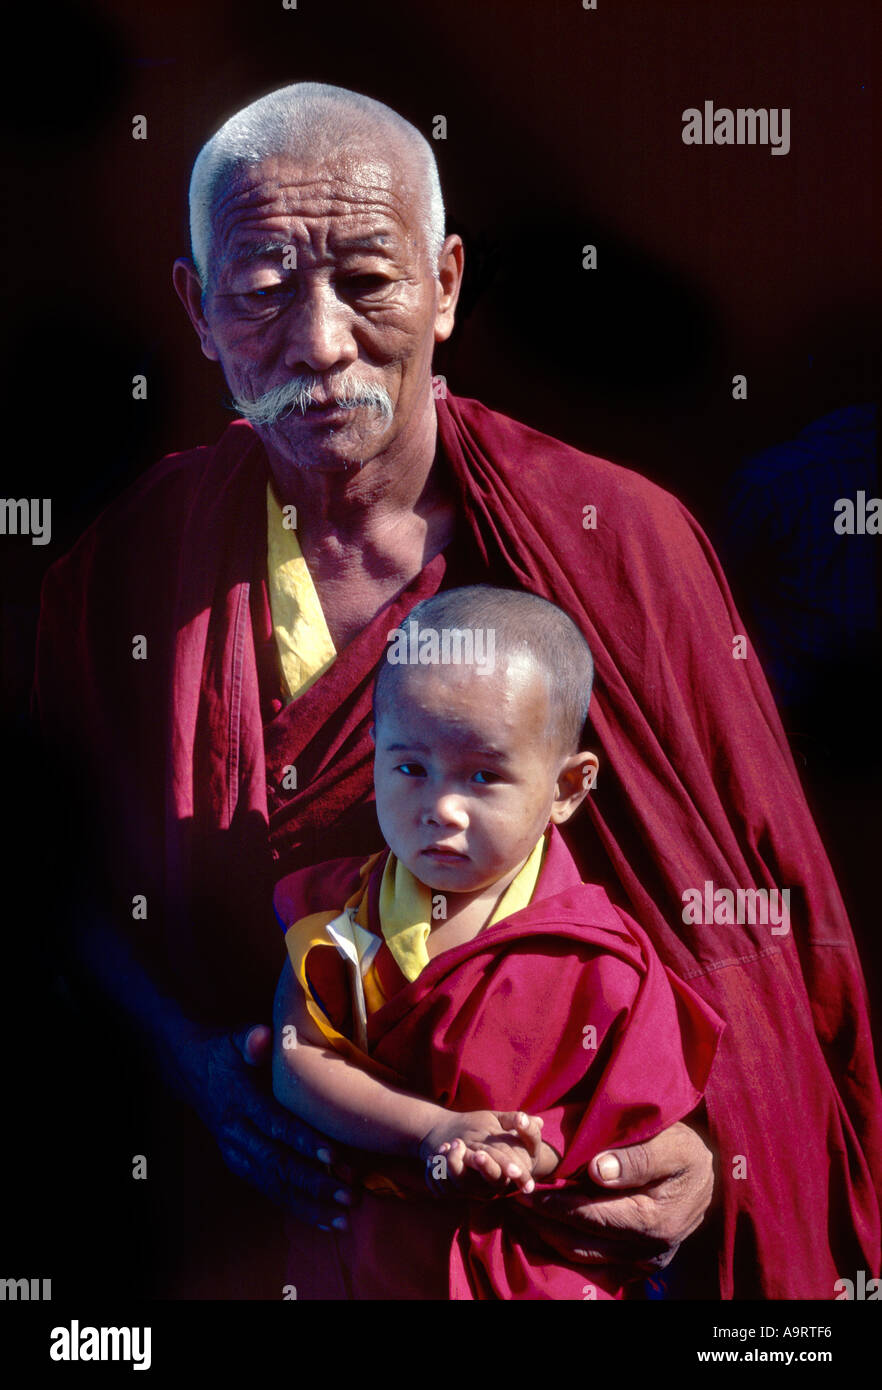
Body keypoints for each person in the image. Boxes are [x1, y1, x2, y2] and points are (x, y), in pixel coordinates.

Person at [33, 80, 880, 1298]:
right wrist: (193, 1068)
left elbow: (749, 921)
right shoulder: (128, 568)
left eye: (369, 281)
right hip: (245, 1230)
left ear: (446, 282)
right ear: (198, 310)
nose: (319, 343)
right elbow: (52, 887)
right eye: (263, 288)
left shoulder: (621, 543)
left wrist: (704, 1155)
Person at [272, 587, 724, 1299]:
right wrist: (431, 1130)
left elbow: (631, 1121)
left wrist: (528, 1152)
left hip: (522, 1269)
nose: (441, 808)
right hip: (361, 1261)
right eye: (410, 767)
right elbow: (298, 1062)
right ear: (375, 755)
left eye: (483, 776)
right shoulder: (340, 912)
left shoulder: (601, 959)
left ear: (568, 789)